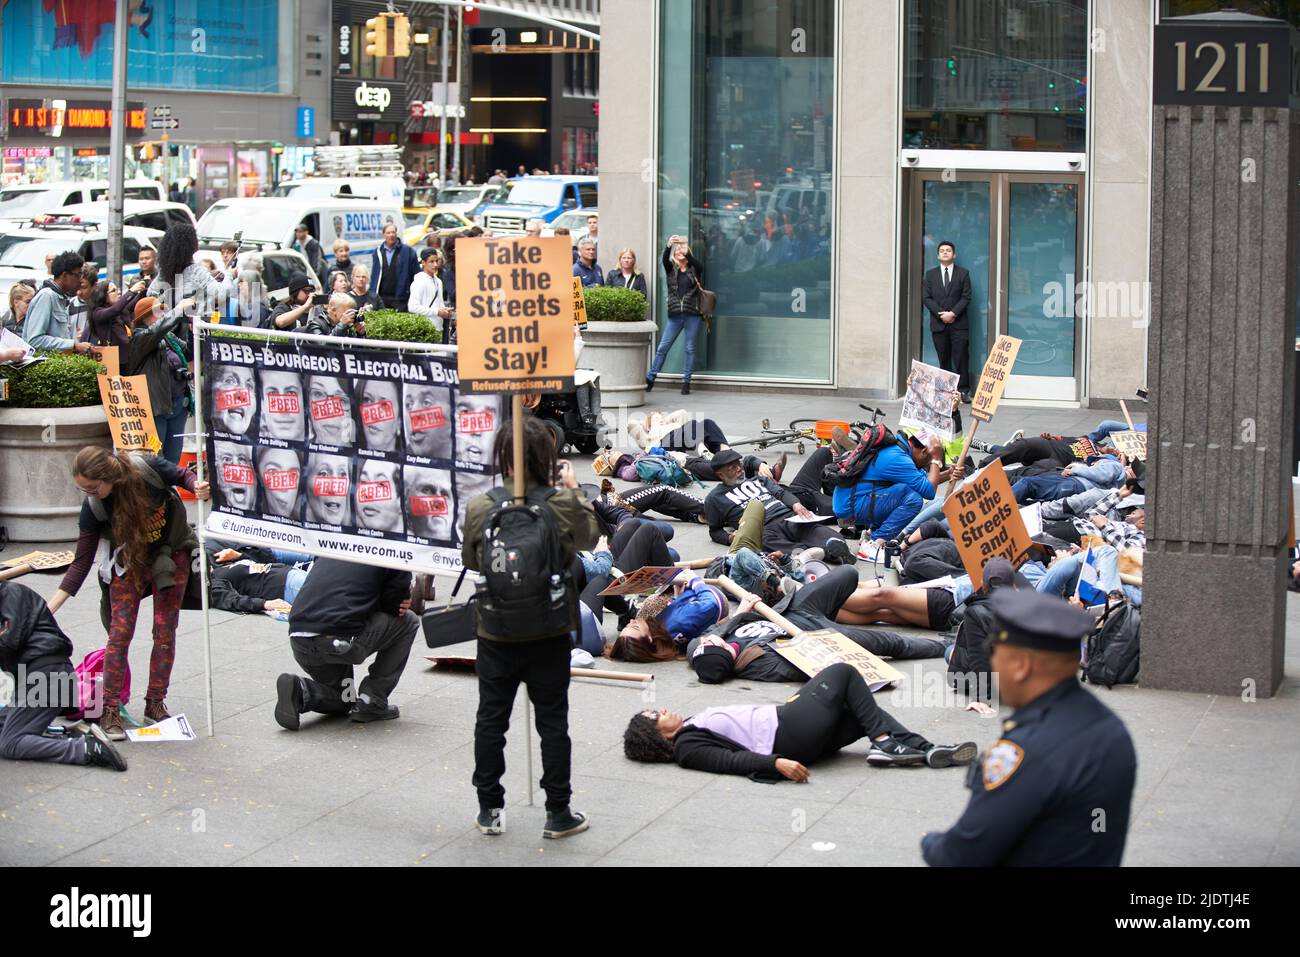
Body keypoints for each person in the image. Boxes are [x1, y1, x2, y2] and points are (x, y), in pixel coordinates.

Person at [921, 590, 1137, 866]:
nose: (992, 663)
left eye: (994, 652)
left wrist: (929, 841)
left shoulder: (1028, 751)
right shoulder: (1111, 728)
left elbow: (961, 853)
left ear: (1021, 666)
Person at [461, 417, 599, 840]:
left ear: (502, 455)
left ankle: (490, 810)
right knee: (553, 722)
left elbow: (470, 559)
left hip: (495, 633)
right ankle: (558, 812)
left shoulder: (482, 506)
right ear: (547, 458)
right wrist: (574, 490)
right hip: (549, 632)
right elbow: (591, 539)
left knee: (490, 721)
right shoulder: (558, 504)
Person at [47, 448, 210, 740]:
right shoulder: (95, 506)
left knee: (165, 630)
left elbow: (182, 474)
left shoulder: (144, 468)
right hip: (128, 560)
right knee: (119, 635)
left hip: (171, 552)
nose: (90, 493)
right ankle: (110, 709)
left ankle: (155, 703)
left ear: (110, 476)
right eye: (83, 488)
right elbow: (81, 561)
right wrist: (49, 608)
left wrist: (197, 484)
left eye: (93, 487)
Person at [624, 663, 977, 778]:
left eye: (654, 709)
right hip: (788, 733)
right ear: (657, 738)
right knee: (843, 673)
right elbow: (729, 761)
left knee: (860, 710)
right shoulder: (687, 747)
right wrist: (776, 763)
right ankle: (886, 743)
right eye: (654, 717)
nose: (662, 710)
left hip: (789, 723)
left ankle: (925, 749)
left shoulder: (688, 726)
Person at [686, 566, 945, 684]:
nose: (706, 639)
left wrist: (741, 612)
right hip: (812, 634)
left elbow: (699, 640)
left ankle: (834, 610)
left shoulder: (706, 648)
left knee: (847, 574)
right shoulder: (758, 665)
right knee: (889, 643)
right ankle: (948, 647)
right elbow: (802, 668)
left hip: (792, 611)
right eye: (709, 644)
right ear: (722, 653)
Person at [275, 559, 419, 730]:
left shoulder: (336, 540)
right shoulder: (394, 551)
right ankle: (372, 700)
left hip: (300, 639)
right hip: (339, 642)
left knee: (345, 699)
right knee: (409, 621)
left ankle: (301, 689)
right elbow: (395, 607)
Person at [0, 581, 128, 771]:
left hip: (46, 676)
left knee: (10, 743)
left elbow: (9, 641)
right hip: (37, 679)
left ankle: (86, 748)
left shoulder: (11, 593)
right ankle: (64, 734)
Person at [706, 449, 853, 563]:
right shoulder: (714, 498)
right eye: (732, 467)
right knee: (764, 542)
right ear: (720, 474)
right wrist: (730, 538)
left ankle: (832, 548)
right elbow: (715, 531)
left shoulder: (758, 480)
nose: (739, 468)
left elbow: (781, 493)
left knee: (820, 532)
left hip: (787, 516)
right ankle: (808, 554)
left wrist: (796, 504)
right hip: (763, 528)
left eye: (739, 464)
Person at [833, 430, 958, 553]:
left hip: (851, 503)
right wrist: (936, 459)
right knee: (913, 498)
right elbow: (928, 492)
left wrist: (948, 474)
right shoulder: (898, 458)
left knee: (906, 490)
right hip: (850, 509)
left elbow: (925, 481)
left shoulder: (900, 450)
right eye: (929, 461)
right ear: (924, 451)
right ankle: (876, 544)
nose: (929, 465)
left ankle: (871, 535)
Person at [124, 296, 193, 464]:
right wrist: (178, 311)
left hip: (177, 405)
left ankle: (170, 489)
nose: (163, 314)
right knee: (155, 460)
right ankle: (157, 490)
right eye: (158, 311)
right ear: (145, 317)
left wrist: (192, 331)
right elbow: (155, 331)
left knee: (173, 459)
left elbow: (189, 353)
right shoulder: (140, 338)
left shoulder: (168, 337)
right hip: (155, 409)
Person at [646, 235, 706, 395]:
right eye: (676, 250)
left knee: (689, 348)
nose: (678, 251)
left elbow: (698, 265)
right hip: (675, 316)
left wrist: (686, 253)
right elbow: (665, 259)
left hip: (692, 314)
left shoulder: (694, 270)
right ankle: (650, 378)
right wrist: (668, 245)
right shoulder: (671, 269)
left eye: (682, 250)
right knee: (662, 348)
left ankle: (686, 382)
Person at [922, 240, 973, 402]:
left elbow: (966, 296)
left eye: (948, 250)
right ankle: (947, 391)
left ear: (954, 254)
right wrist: (941, 314)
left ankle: (964, 391)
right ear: (938, 255)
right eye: (942, 250)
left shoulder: (963, 273)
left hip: (959, 324)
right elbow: (926, 298)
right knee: (944, 358)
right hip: (939, 324)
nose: (945, 252)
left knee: (961, 358)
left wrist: (953, 313)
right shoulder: (930, 275)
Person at [22, 252, 95, 355]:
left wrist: (74, 349)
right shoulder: (47, 296)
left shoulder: (61, 297)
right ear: (65, 275)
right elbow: (34, 340)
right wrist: (73, 345)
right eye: (78, 275)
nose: (80, 280)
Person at [85, 278, 147, 348]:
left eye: (117, 289)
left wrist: (145, 287)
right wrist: (131, 291)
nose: (119, 292)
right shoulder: (97, 313)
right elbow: (114, 310)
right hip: (113, 357)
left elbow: (134, 301)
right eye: (114, 291)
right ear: (103, 295)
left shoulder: (120, 310)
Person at [369, 222, 418, 311]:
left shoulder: (408, 251)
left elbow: (416, 274)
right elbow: (374, 275)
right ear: (384, 235)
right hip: (383, 297)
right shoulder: (378, 252)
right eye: (388, 233)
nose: (391, 235)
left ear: (396, 233)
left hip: (401, 298)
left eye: (393, 232)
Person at [408, 247, 448, 333]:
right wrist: (437, 312)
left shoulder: (438, 281)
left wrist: (444, 310)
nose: (435, 265)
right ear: (423, 263)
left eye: (436, 261)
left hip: (439, 328)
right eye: (431, 262)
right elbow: (412, 307)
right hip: (424, 329)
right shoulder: (419, 281)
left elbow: (440, 303)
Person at [68, 262, 97, 341]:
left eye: (83, 287)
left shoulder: (101, 306)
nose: (79, 292)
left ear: (94, 285)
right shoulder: (68, 305)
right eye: (77, 287)